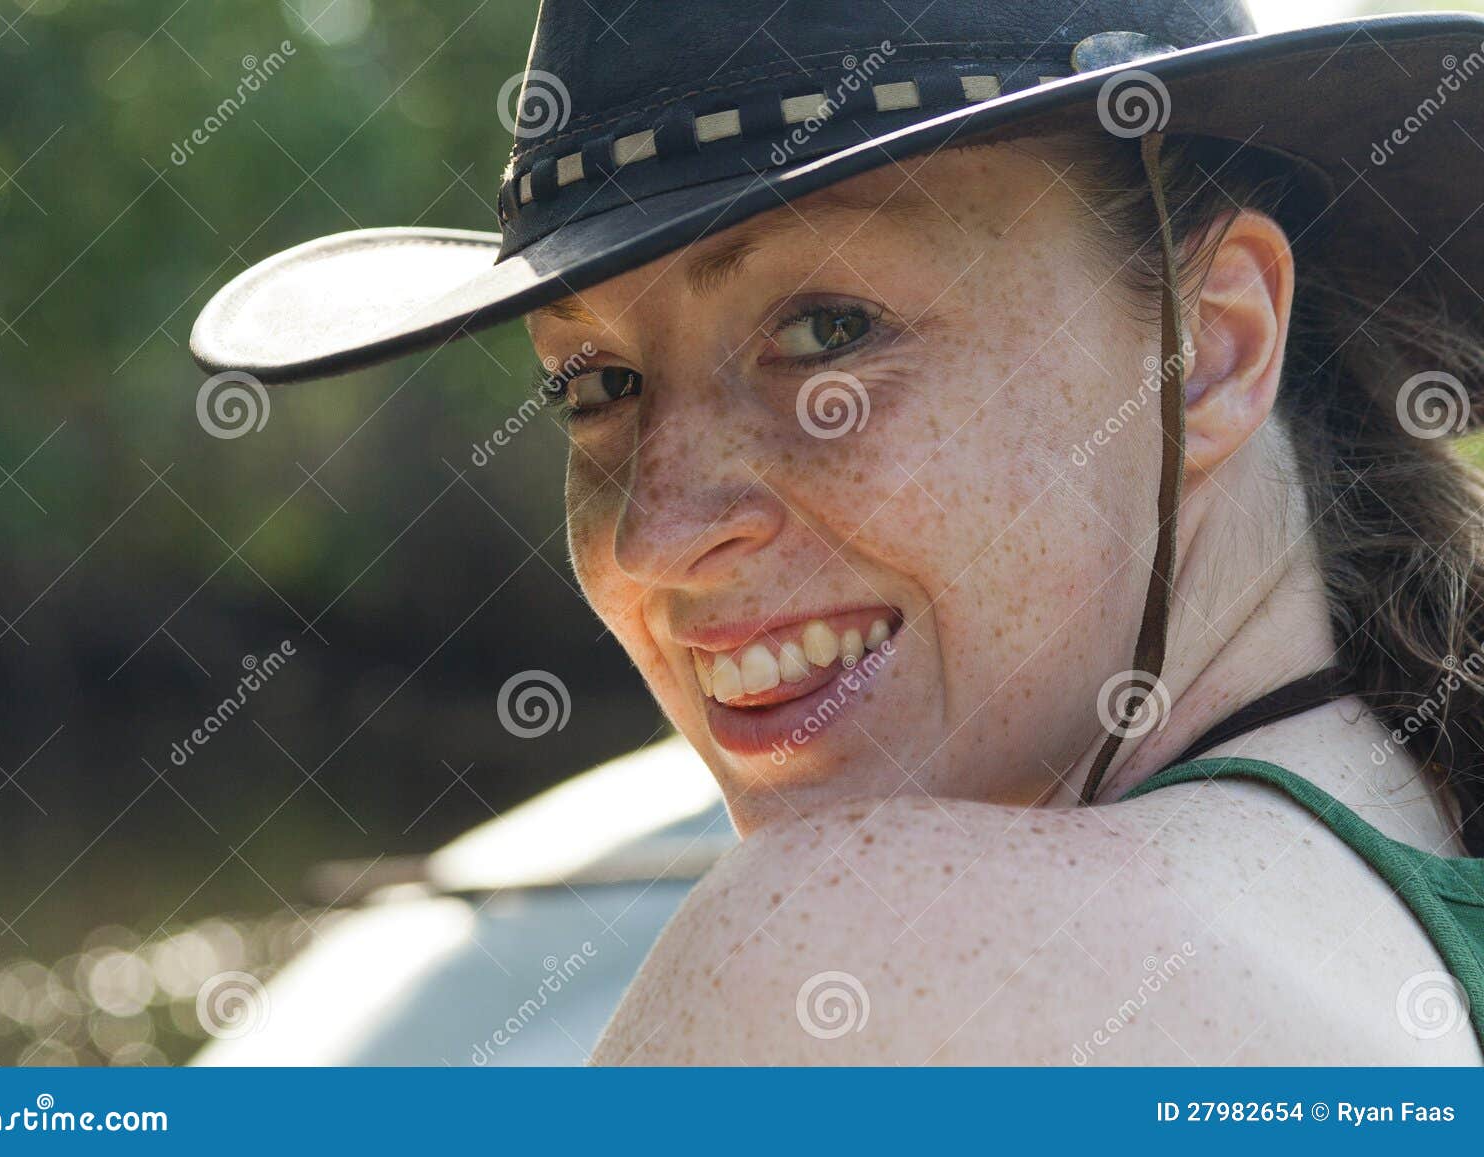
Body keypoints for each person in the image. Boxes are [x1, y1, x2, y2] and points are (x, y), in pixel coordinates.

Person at [191, 1, 1484, 1063]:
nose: (656, 537)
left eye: (825, 329)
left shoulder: (840, 961)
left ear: (1211, 346)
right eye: (596, 387)